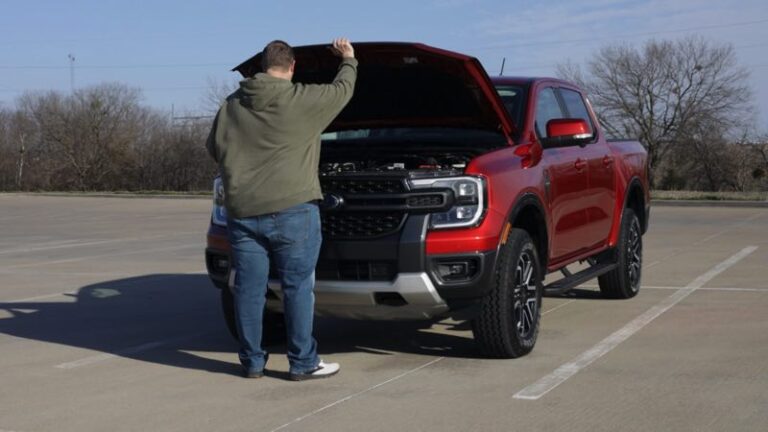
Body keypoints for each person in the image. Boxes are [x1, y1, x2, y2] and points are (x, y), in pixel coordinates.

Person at [206, 38, 357, 380]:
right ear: (291, 67)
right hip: (293, 210)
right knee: (297, 288)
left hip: (243, 213)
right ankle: (303, 362)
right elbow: (343, 90)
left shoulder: (231, 106)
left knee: (247, 289)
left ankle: (252, 363)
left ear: (262, 67)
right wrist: (348, 59)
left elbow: (214, 148)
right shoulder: (300, 99)